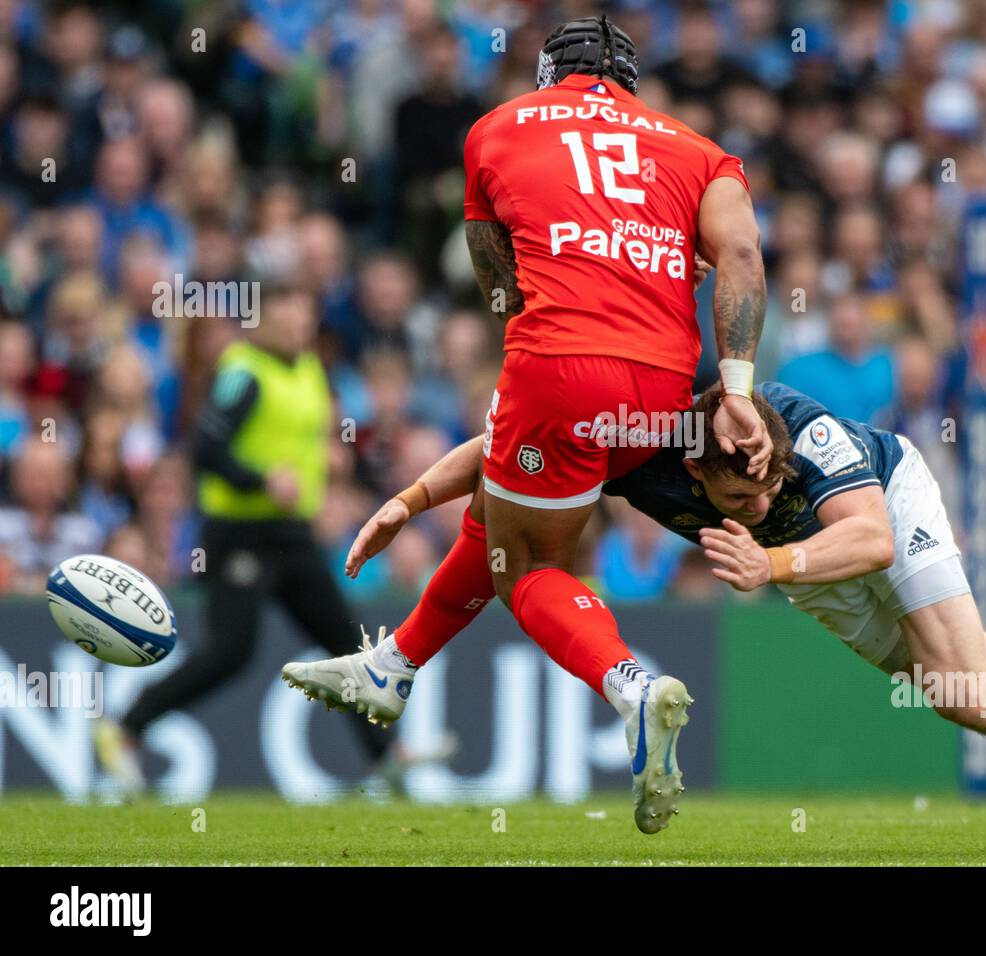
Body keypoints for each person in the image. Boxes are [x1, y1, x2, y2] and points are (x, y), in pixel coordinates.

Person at [300, 382, 986, 853]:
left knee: (963, 686)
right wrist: (415, 499)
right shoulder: (645, 452)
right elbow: (512, 448)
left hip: (883, 505)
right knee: (965, 674)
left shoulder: (805, 441)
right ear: (693, 469)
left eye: (765, 477)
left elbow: (872, 537)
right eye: (738, 485)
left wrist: (770, 555)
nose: (757, 487)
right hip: (801, 561)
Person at [285, 16, 771, 835]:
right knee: (505, 522)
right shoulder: (698, 149)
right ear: (630, 83)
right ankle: (395, 665)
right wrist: (737, 389)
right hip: (661, 390)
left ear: (548, 74)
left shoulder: (495, 129)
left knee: (527, 566)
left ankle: (631, 686)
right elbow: (746, 261)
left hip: (558, 364)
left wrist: (538, 324)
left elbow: (493, 269)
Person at [94, 287, 407, 795]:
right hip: (240, 534)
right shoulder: (244, 372)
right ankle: (125, 727)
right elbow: (206, 448)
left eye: (302, 319)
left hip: (292, 534)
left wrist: (330, 456)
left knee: (345, 645)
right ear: (262, 322)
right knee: (231, 653)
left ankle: (386, 759)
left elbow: (306, 436)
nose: (294, 329)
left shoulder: (309, 369)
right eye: (284, 319)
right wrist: (262, 481)